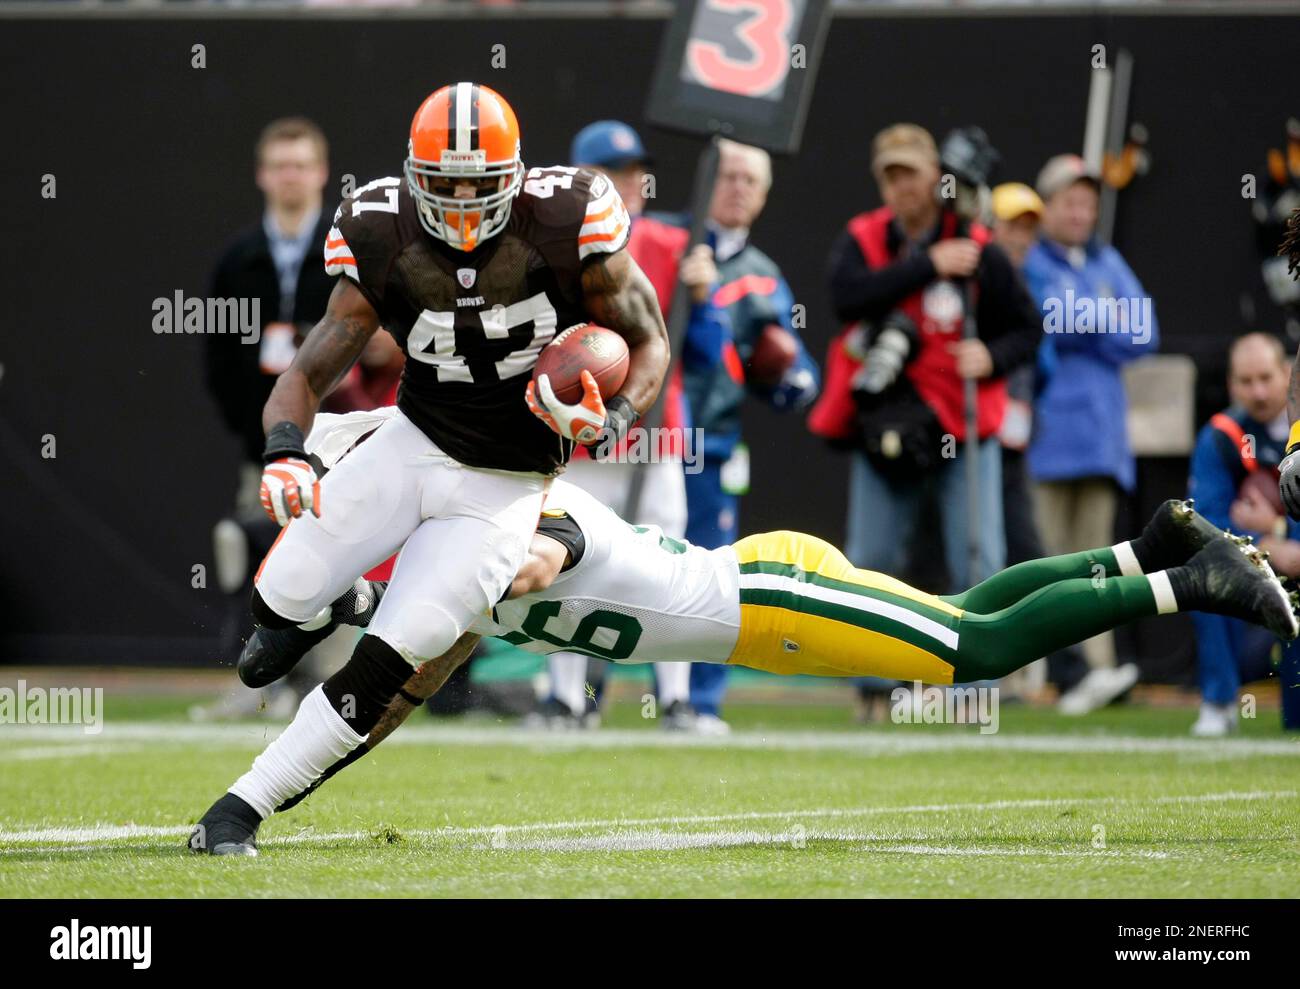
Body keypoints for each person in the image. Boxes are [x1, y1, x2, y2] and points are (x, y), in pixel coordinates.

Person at [191, 416, 1297, 854]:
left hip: (765, 596)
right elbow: (383, 697)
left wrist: (535, 560)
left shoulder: (496, 503)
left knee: (976, 652)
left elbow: (554, 537)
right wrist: (266, 796)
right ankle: (1149, 545)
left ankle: (1185, 582)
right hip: (759, 613)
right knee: (965, 621)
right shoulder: (437, 572)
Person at [188, 82, 670, 851]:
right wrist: (284, 452)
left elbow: (649, 342)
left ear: (514, 176)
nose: (462, 201)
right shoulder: (381, 229)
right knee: (275, 605)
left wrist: (612, 419)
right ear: (415, 175)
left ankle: (240, 806)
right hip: (414, 440)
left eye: (480, 185)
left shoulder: (568, 218)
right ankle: (335, 599)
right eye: (444, 183)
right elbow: (310, 371)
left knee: (397, 650)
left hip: (504, 485)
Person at [520, 120, 729, 730]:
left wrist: (705, 297)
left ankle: (676, 698)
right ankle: (563, 698)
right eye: (614, 171)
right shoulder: (554, 245)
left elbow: (707, 354)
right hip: (578, 436)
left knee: (672, 563)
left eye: (636, 170)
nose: (631, 182)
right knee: (560, 562)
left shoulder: (673, 243)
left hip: (655, 433)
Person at [200, 118, 347, 721]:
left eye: (301, 165)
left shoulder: (343, 249)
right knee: (250, 548)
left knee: (337, 550)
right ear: (264, 175)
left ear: (321, 172)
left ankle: (332, 687)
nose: (290, 177)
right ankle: (255, 681)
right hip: (265, 440)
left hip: (336, 437)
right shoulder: (240, 259)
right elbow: (217, 358)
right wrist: (260, 431)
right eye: (280, 165)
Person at [676, 138, 821, 733]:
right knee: (620, 557)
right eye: (729, 174)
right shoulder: (669, 242)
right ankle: (580, 695)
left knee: (713, 569)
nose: (738, 187)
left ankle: (701, 702)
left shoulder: (763, 277)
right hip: (646, 437)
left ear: (763, 196)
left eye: (751, 180)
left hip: (714, 440)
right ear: (709, 178)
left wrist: (795, 376)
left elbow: (788, 365)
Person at [1023, 153, 1160, 715]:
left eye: (1087, 203)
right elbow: (1047, 320)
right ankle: (1031, 677)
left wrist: (1084, 319)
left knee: (1098, 564)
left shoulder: (1109, 260)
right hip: (1048, 432)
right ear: (1046, 208)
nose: (1080, 212)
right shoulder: (1030, 259)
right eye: (1069, 202)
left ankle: (1095, 676)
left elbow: (1145, 331)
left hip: (1102, 438)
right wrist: (1099, 317)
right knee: (1041, 561)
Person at [1189, 333, 1300, 735]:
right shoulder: (1222, 436)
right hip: (1253, 579)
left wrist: (1273, 526)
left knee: (1295, 723)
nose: (1257, 391)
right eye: (1245, 381)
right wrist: (1270, 546)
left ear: (1287, 375)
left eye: (1266, 378)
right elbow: (1206, 522)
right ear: (1232, 385)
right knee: (1204, 572)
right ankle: (1219, 702)